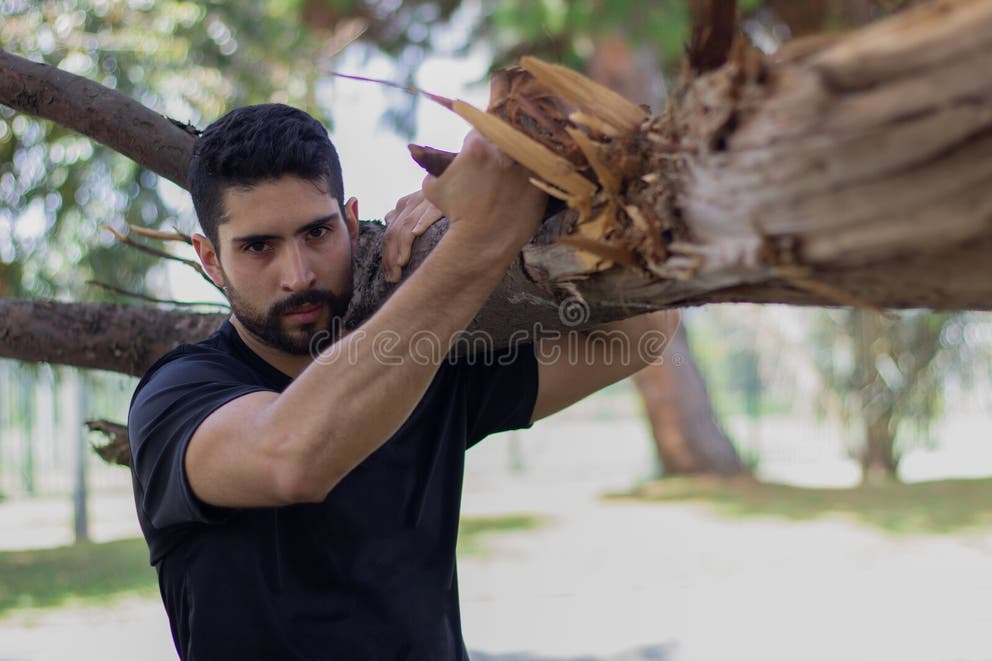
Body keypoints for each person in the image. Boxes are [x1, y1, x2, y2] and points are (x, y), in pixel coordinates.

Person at [127, 103, 679, 660]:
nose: (297, 274)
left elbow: (645, 331)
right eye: (257, 246)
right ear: (210, 260)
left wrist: (544, 201)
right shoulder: (177, 397)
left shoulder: (423, 359)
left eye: (317, 232)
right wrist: (481, 235)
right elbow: (294, 456)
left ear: (350, 222)